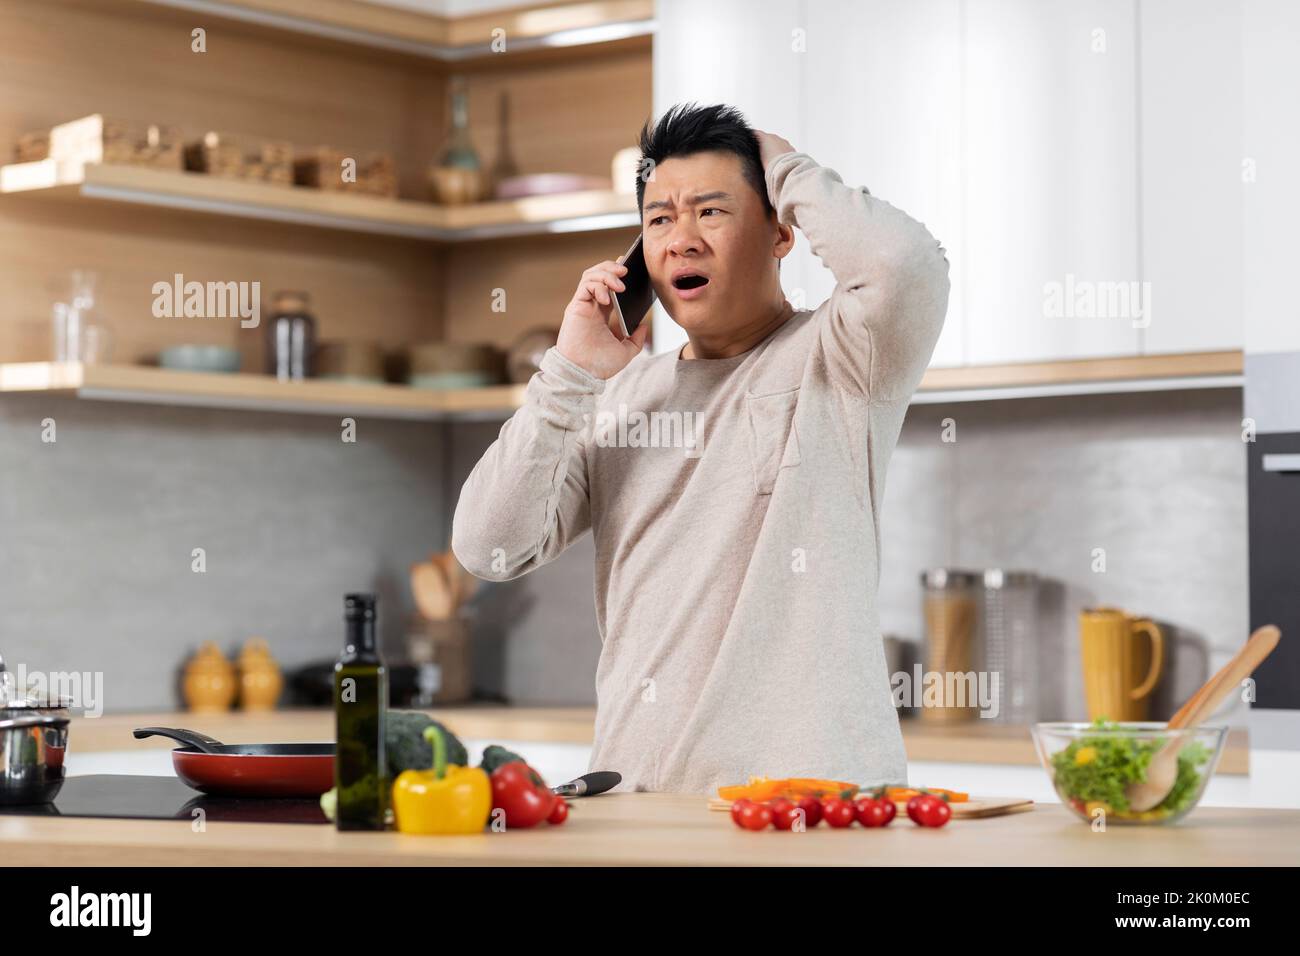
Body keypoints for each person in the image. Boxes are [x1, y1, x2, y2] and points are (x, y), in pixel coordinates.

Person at [453, 102, 950, 792]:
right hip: (639, 803)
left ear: (781, 230)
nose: (680, 239)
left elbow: (905, 263)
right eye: (659, 220)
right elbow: (490, 546)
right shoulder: (616, 399)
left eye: (711, 212)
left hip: (810, 811)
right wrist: (567, 375)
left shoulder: (843, 356)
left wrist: (788, 166)